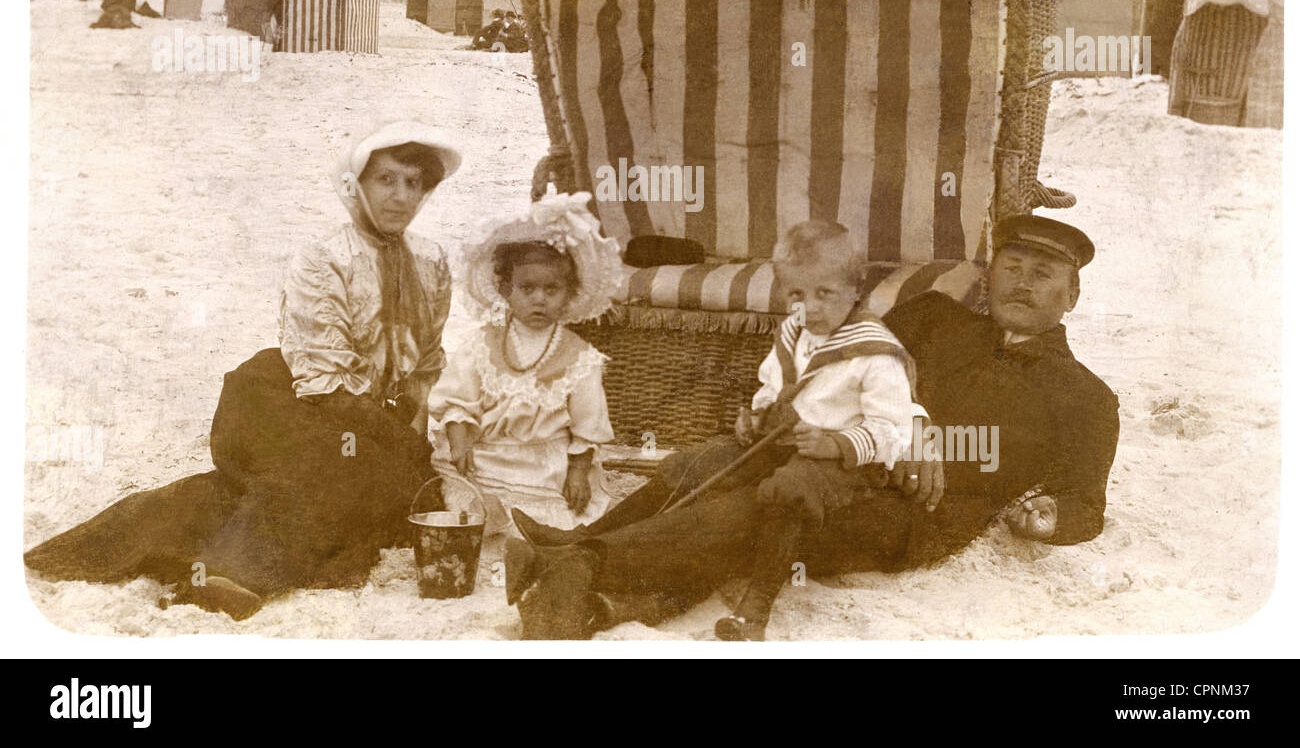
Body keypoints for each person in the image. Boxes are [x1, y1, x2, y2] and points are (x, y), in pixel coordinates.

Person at [504, 214, 1120, 640]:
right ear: (990, 275)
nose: (1024, 282)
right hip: (844, 449)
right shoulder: (934, 317)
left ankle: (580, 567)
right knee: (713, 460)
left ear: (1073, 296)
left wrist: (1049, 518)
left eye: (1044, 274)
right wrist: (911, 423)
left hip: (913, 512)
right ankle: (594, 583)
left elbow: (1084, 502)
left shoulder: (1085, 397)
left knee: (756, 510)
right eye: (1013, 265)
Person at [23, 120, 461, 621]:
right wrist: (394, 445)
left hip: (367, 417)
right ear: (356, 184)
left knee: (383, 489)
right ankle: (231, 573)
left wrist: (413, 437)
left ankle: (157, 544)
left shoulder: (432, 262)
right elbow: (326, 381)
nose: (401, 196)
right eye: (386, 179)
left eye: (413, 183)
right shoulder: (322, 257)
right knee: (341, 469)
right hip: (290, 400)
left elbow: (426, 363)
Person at [427, 189, 624, 533]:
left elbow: (587, 424)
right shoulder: (484, 343)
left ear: (569, 295)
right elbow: (457, 398)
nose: (539, 300)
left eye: (552, 290)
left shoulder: (578, 357)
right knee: (463, 498)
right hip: (488, 455)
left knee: (565, 517)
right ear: (506, 290)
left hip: (545, 463)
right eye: (527, 288)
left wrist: (578, 471)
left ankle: (534, 518)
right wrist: (459, 437)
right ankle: (487, 508)